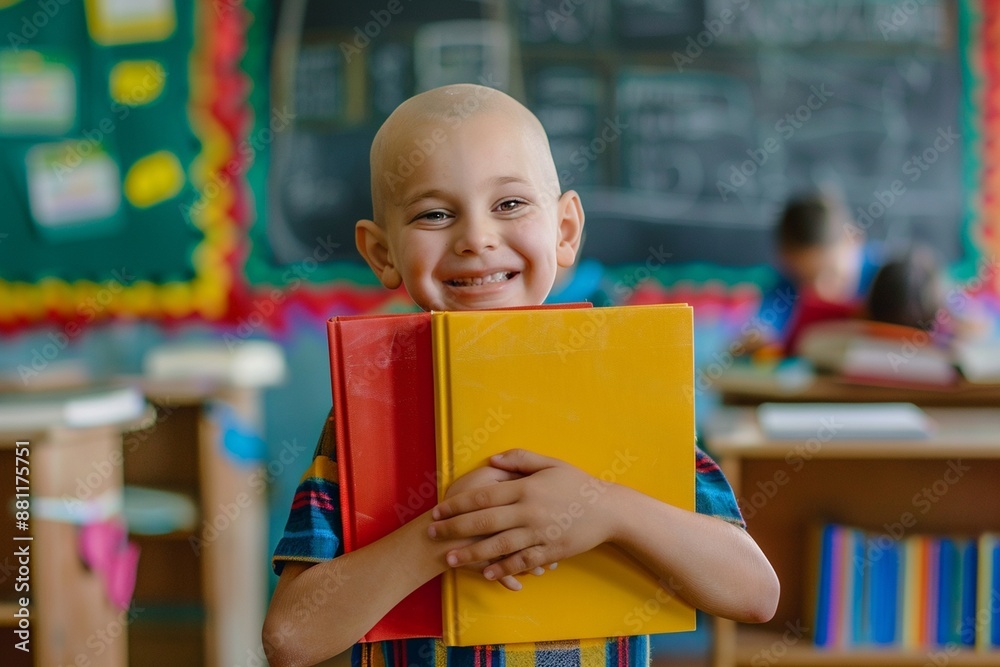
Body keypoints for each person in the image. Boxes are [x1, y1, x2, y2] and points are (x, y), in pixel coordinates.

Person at [262, 84, 779, 667]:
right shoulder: (369, 408)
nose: (476, 238)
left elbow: (754, 591)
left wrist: (605, 509)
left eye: (509, 205)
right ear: (382, 253)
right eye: (435, 214)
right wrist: (448, 533)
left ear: (564, 230)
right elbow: (290, 639)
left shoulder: (622, 386)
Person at [751, 192, 883, 355]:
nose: (821, 292)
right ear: (784, 260)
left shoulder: (888, 277)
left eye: (833, 274)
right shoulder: (785, 287)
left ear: (854, 239)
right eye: (805, 280)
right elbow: (762, 328)